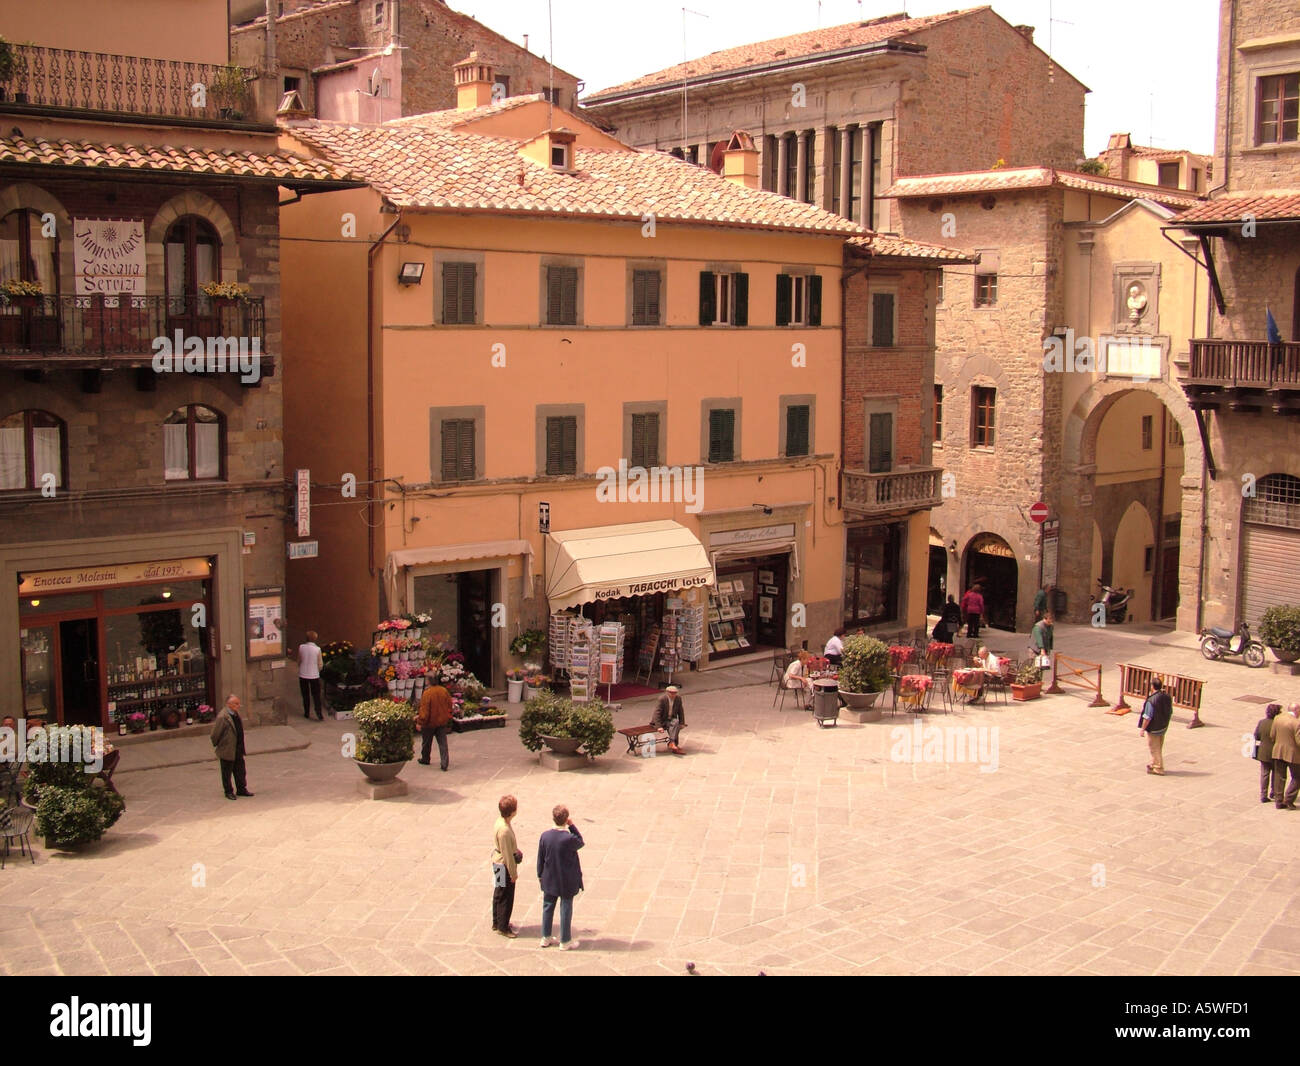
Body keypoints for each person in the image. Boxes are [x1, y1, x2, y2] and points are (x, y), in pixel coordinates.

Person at [536, 804, 584, 950]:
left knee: (548, 906)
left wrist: (540, 875)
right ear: (565, 819)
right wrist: (572, 825)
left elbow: (541, 858)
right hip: (566, 880)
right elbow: (580, 841)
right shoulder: (568, 839)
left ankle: (545, 937)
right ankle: (565, 940)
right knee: (566, 907)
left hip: (549, 878)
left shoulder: (545, 836)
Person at [492, 795, 524, 938]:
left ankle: (497, 921)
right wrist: (513, 874)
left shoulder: (500, 822)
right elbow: (507, 856)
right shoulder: (504, 830)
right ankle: (503, 926)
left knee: (498, 893)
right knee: (506, 896)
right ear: (512, 812)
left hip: (497, 861)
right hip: (503, 865)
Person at [210, 694, 253, 800]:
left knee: (240, 770)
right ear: (229, 704)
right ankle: (228, 791)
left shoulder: (236, 714)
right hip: (227, 749)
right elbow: (215, 734)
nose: (239, 705)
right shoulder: (222, 717)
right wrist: (220, 745)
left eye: (239, 703)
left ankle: (241, 788)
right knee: (227, 772)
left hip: (238, 748)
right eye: (236, 703)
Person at [1138, 678, 1173, 776]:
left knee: (1154, 748)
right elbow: (1170, 711)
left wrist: (1143, 729)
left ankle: (1158, 768)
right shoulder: (1166, 696)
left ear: (1152, 686)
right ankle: (1154, 763)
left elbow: (1147, 717)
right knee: (1159, 746)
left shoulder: (1151, 700)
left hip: (1154, 728)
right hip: (1163, 726)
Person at [416, 681, 454, 770]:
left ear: (428, 681)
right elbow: (449, 704)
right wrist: (447, 716)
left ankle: (425, 759)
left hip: (429, 723)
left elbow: (424, 711)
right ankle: (444, 763)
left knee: (426, 742)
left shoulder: (427, 693)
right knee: (443, 743)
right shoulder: (443, 690)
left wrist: (419, 722)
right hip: (441, 721)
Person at [1270, 704, 1300, 810]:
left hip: (1278, 752)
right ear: (1296, 710)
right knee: (1297, 777)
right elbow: (1298, 741)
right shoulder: (1297, 723)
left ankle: (1278, 800)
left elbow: (1272, 735)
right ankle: (1288, 799)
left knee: (1279, 776)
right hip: (1293, 754)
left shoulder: (1278, 718)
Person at [1254, 704, 1282, 804]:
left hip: (1263, 752)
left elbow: (1256, 736)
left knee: (1264, 774)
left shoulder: (1262, 722)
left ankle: (1263, 794)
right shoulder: (1278, 725)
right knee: (1276, 773)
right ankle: (1274, 792)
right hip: (1275, 752)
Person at [297, 630, 324, 720]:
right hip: (314, 675)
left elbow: (299, 660)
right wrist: (318, 670)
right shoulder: (317, 649)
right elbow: (320, 664)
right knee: (316, 695)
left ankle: (306, 712)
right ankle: (319, 713)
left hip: (303, 673)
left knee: (305, 694)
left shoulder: (301, 647)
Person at [653, 685, 687, 755]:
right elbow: (657, 713)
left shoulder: (678, 698)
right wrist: (659, 726)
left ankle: (672, 743)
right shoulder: (662, 699)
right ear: (667, 692)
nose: (673, 694)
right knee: (675, 726)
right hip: (663, 720)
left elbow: (680, 711)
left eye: (674, 693)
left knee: (676, 723)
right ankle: (674, 744)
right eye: (671, 693)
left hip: (671, 719)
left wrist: (682, 723)